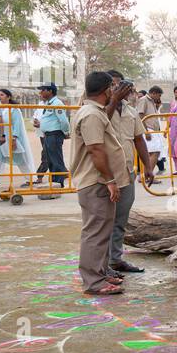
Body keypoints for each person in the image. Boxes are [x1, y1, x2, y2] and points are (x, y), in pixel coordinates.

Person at [69, 71, 127, 296]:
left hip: (99, 181)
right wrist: (110, 180)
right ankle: (94, 282)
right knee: (95, 232)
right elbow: (95, 149)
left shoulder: (95, 111)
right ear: (107, 90)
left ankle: (100, 273)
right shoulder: (91, 114)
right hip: (96, 182)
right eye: (112, 87)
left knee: (102, 230)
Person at [104, 73, 154, 276]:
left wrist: (147, 167)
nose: (119, 89)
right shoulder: (96, 110)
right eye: (114, 86)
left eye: (121, 85)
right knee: (104, 220)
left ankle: (115, 260)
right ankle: (101, 264)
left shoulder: (131, 111)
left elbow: (138, 139)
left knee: (120, 220)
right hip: (105, 174)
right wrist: (113, 100)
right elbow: (100, 127)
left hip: (126, 172)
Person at [0, 88, 36, 185]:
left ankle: (30, 180)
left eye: (2, 95)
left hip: (11, 137)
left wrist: (14, 138)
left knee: (19, 159)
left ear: (8, 97)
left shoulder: (13, 109)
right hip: (0, 138)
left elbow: (17, 124)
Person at [34, 82, 70, 187]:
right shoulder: (48, 103)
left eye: (43, 90)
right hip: (48, 135)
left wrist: (66, 132)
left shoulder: (57, 103)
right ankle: (54, 182)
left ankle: (58, 183)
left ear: (50, 91)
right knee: (50, 160)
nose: (40, 92)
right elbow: (51, 120)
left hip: (55, 135)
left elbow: (63, 121)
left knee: (56, 160)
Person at [139, 86, 166, 174]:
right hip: (148, 129)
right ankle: (147, 175)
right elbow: (140, 115)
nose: (159, 98)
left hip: (153, 129)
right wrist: (146, 131)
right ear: (153, 93)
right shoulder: (144, 100)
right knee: (155, 152)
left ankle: (145, 175)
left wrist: (157, 106)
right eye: (159, 95)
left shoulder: (151, 101)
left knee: (152, 153)